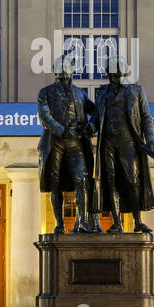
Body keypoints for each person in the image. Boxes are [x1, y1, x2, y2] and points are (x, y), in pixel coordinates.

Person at [92, 53, 154, 233]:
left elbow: (146, 117)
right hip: (107, 141)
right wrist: (87, 128)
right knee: (110, 181)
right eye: (112, 75)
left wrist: (151, 141)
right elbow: (96, 118)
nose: (114, 78)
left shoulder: (136, 90)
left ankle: (138, 220)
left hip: (128, 141)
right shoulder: (102, 92)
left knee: (133, 180)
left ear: (123, 72)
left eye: (117, 74)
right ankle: (117, 223)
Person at [37, 55, 100, 233]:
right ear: (55, 72)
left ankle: (82, 222)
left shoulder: (80, 93)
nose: (64, 72)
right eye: (61, 69)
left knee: (81, 179)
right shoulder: (45, 92)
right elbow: (44, 116)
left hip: (76, 142)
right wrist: (62, 130)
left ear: (72, 71)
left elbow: (96, 111)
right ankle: (59, 223)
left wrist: (92, 126)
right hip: (55, 141)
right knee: (55, 182)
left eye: (67, 69)